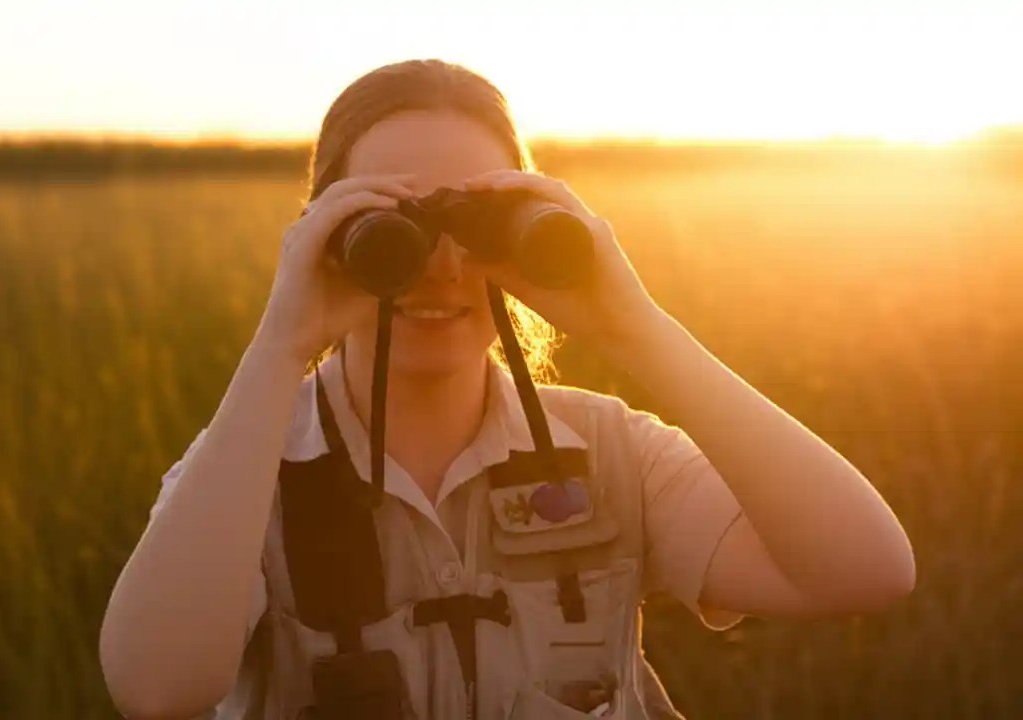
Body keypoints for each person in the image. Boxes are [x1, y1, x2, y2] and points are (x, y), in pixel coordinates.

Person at [99, 59, 915, 720]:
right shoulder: (248, 470)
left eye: (479, 224)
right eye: (396, 224)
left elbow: (864, 570)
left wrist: (633, 324)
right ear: (324, 236)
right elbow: (158, 689)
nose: (442, 265)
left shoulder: (613, 453)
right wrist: (281, 345)